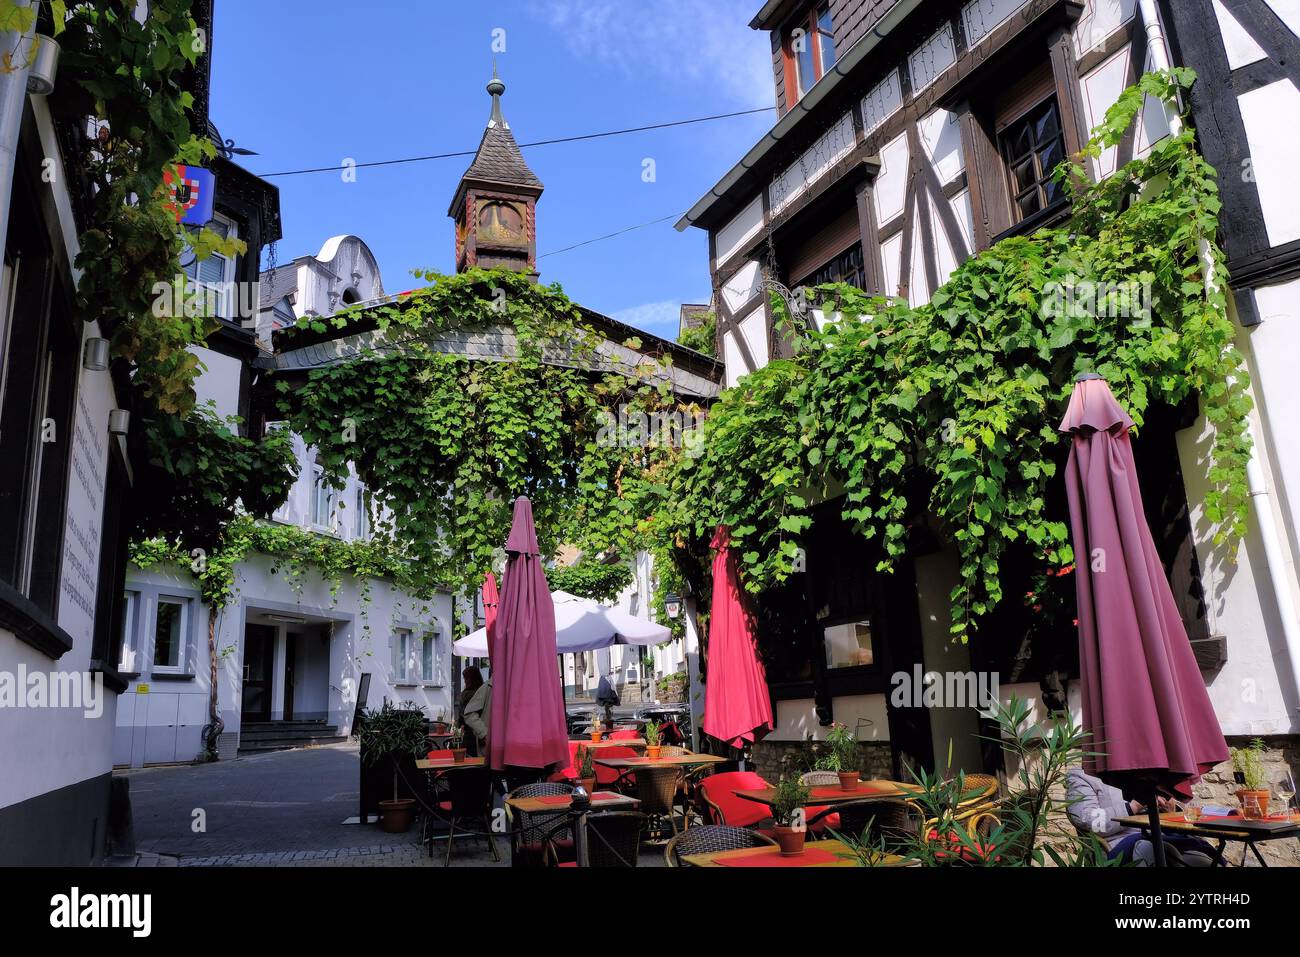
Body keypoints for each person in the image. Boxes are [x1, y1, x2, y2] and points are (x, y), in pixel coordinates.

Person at [1065, 767, 1215, 866]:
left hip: (1161, 836)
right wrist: (1134, 806)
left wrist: (1170, 808)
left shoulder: (1144, 770)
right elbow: (1087, 820)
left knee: (1203, 859)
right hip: (1116, 845)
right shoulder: (1081, 775)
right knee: (1155, 849)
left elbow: (1174, 814)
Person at [459, 665, 491, 759]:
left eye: (465, 679)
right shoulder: (484, 690)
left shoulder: (467, 694)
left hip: (471, 734)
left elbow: (463, 716)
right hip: (480, 733)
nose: (464, 681)